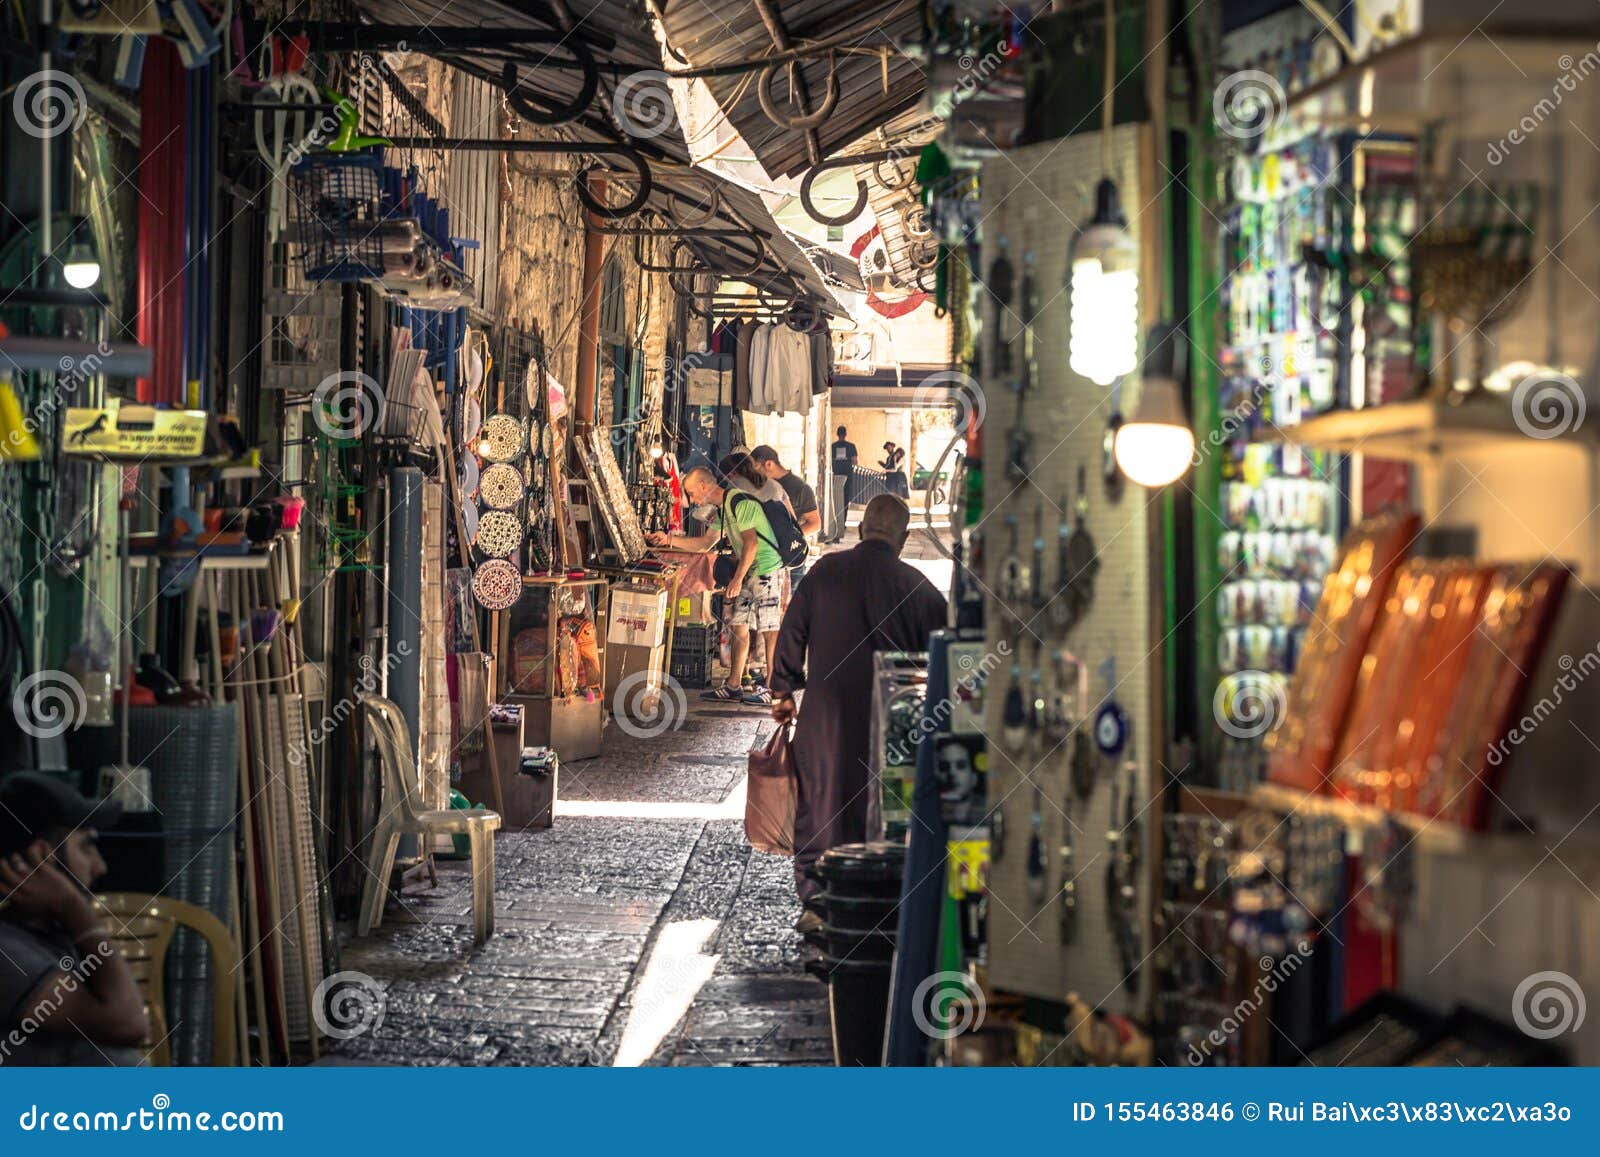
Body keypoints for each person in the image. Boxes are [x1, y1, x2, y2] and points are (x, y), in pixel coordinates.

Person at [769, 495, 948, 926]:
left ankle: (817, 901)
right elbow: (951, 654)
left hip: (826, 716)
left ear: (863, 527)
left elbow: (792, 629)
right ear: (903, 538)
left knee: (822, 799)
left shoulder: (826, 571)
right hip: (894, 721)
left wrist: (783, 689)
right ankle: (882, 897)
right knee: (885, 805)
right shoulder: (918, 587)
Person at [0, 772, 148, 1064]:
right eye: (86, 846)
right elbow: (129, 1023)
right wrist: (75, 909)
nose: (100, 866)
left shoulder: (42, 934)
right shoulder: (7, 952)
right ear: (44, 857)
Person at [647, 465, 786, 707]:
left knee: (769, 629)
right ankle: (734, 685)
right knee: (739, 625)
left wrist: (737, 578)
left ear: (703, 486)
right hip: (748, 568)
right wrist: (668, 539)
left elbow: (752, 545)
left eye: (691, 493)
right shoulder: (725, 509)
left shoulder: (740, 503)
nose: (691, 500)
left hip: (765, 568)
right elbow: (704, 544)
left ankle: (773, 688)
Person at [749, 445, 820, 584]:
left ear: (769, 464)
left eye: (756, 467)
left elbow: (815, 523)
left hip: (791, 555)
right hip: (766, 558)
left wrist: (786, 538)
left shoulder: (801, 488)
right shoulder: (760, 486)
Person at [825, 426, 857, 543]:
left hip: (834, 476)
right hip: (847, 476)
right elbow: (855, 461)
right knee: (844, 501)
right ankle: (842, 524)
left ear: (837, 434)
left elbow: (829, 460)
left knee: (834, 500)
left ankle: (835, 524)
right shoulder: (851, 446)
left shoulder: (832, 446)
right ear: (845, 434)